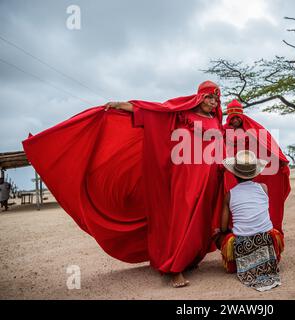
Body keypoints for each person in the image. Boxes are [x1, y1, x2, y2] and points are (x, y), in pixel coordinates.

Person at [23, 81, 225, 288]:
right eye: (209, 97)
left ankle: (189, 259)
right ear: (199, 97)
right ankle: (174, 269)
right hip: (186, 178)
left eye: (216, 99)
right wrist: (122, 105)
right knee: (183, 218)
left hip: (210, 179)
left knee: (201, 220)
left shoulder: (215, 120)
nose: (213, 102)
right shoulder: (181, 114)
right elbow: (154, 112)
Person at [222, 99, 291, 235]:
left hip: (250, 166)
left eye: (238, 117)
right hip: (232, 169)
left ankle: (269, 226)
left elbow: (268, 144)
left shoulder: (253, 128)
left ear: (241, 116)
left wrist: (280, 159)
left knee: (262, 197)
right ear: (228, 117)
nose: (235, 120)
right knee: (232, 199)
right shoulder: (223, 131)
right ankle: (234, 229)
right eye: (232, 117)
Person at [220, 150, 282, 291]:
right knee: (274, 232)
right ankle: (268, 258)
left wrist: (223, 231)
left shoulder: (229, 195)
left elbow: (223, 228)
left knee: (220, 235)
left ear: (234, 173)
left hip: (243, 243)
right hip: (266, 240)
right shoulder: (263, 188)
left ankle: (238, 263)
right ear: (255, 172)